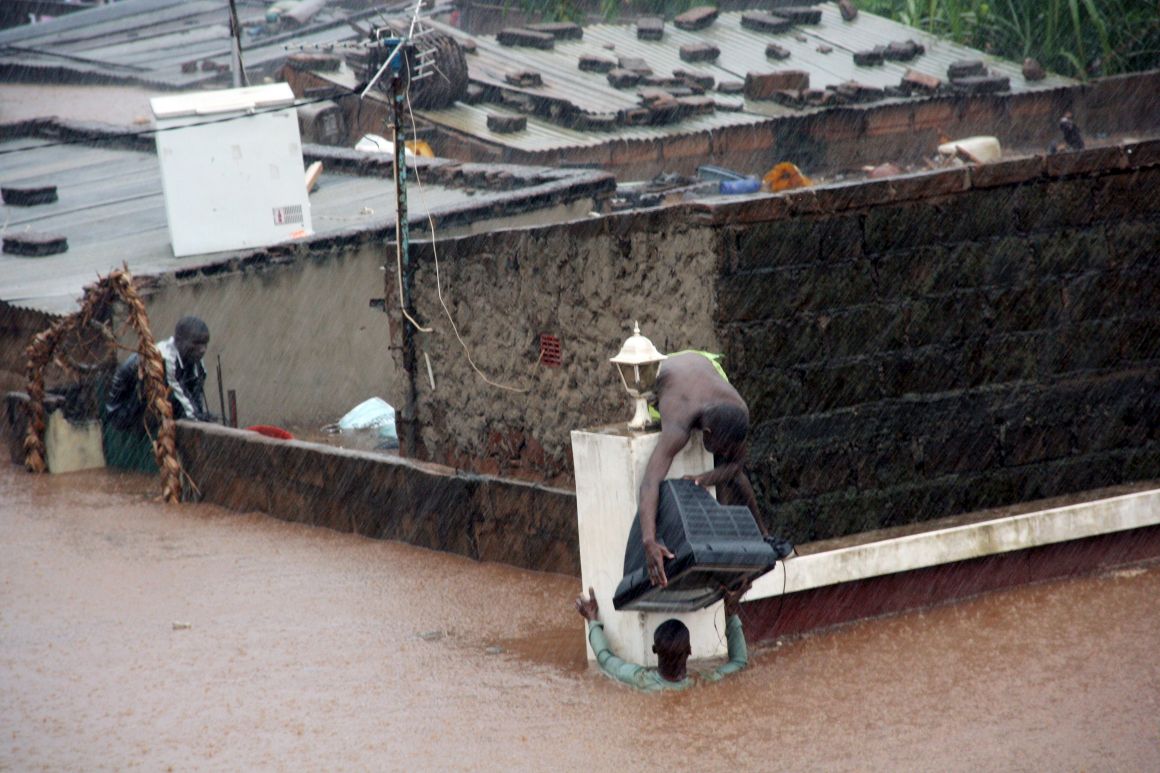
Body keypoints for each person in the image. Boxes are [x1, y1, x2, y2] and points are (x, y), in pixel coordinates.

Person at [632, 351, 788, 588]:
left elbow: (737, 464)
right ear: (707, 434)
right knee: (723, 470)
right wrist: (649, 540)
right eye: (723, 447)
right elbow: (650, 481)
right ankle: (724, 538)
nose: (726, 452)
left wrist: (705, 478)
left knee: (731, 472)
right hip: (670, 375)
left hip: (704, 365)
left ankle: (763, 534)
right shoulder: (679, 422)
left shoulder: (738, 410)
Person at [574, 581, 751, 692]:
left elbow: (605, 658)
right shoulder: (703, 682)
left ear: (654, 650)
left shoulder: (639, 680)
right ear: (690, 650)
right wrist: (730, 613)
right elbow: (739, 662)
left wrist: (592, 618)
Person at [105, 315, 214, 432]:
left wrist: (200, 414)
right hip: (122, 410)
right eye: (196, 344)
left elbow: (196, 389)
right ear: (179, 340)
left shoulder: (194, 358)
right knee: (169, 398)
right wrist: (195, 418)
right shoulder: (166, 357)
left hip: (143, 408)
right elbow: (176, 389)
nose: (203, 349)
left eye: (205, 344)